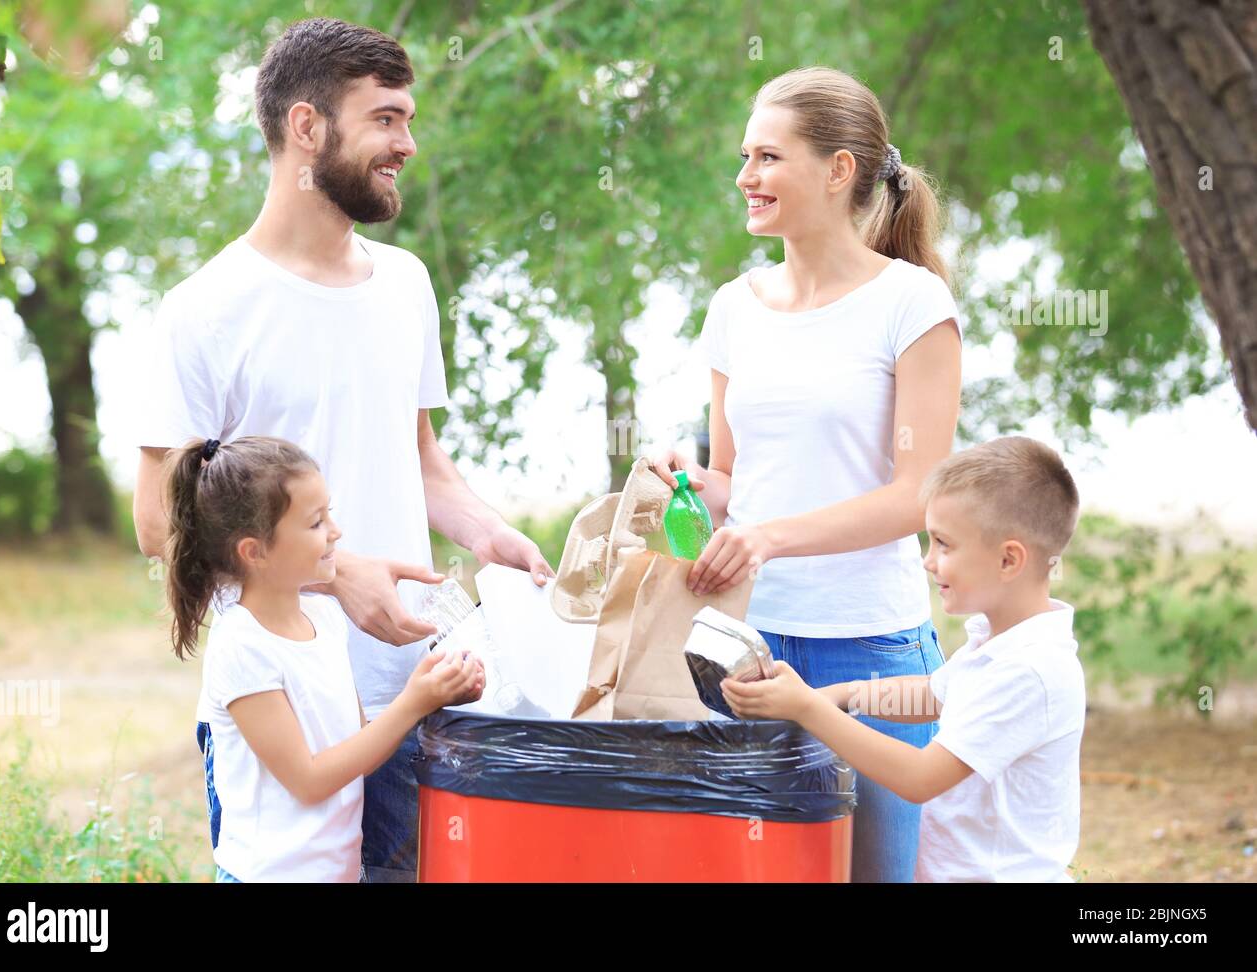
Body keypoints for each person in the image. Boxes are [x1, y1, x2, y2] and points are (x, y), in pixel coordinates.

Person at [132, 18, 552, 883]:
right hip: (289, 707)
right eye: (386, 119)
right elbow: (154, 523)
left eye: (408, 119)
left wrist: (488, 534)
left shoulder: (406, 284)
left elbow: (423, 462)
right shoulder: (204, 310)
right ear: (306, 127)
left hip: (417, 688)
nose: (408, 143)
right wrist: (339, 572)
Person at [650, 66, 961, 881]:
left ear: (838, 170)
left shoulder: (912, 304)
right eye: (745, 157)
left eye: (767, 157)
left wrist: (765, 538)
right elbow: (730, 484)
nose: (745, 178)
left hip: (872, 650)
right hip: (738, 648)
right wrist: (683, 474)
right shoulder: (733, 307)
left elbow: (917, 496)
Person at [723, 437, 1085, 883]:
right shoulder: (998, 641)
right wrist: (839, 695)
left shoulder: (1029, 669)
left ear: (1009, 559)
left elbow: (920, 776)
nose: (928, 562)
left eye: (943, 544)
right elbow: (932, 695)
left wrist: (808, 709)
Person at [164, 435, 484, 882]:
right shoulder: (242, 646)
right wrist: (413, 702)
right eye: (316, 523)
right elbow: (309, 780)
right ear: (254, 551)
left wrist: (435, 689)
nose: (336, 532)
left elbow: (358, 749)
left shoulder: (325, 617)